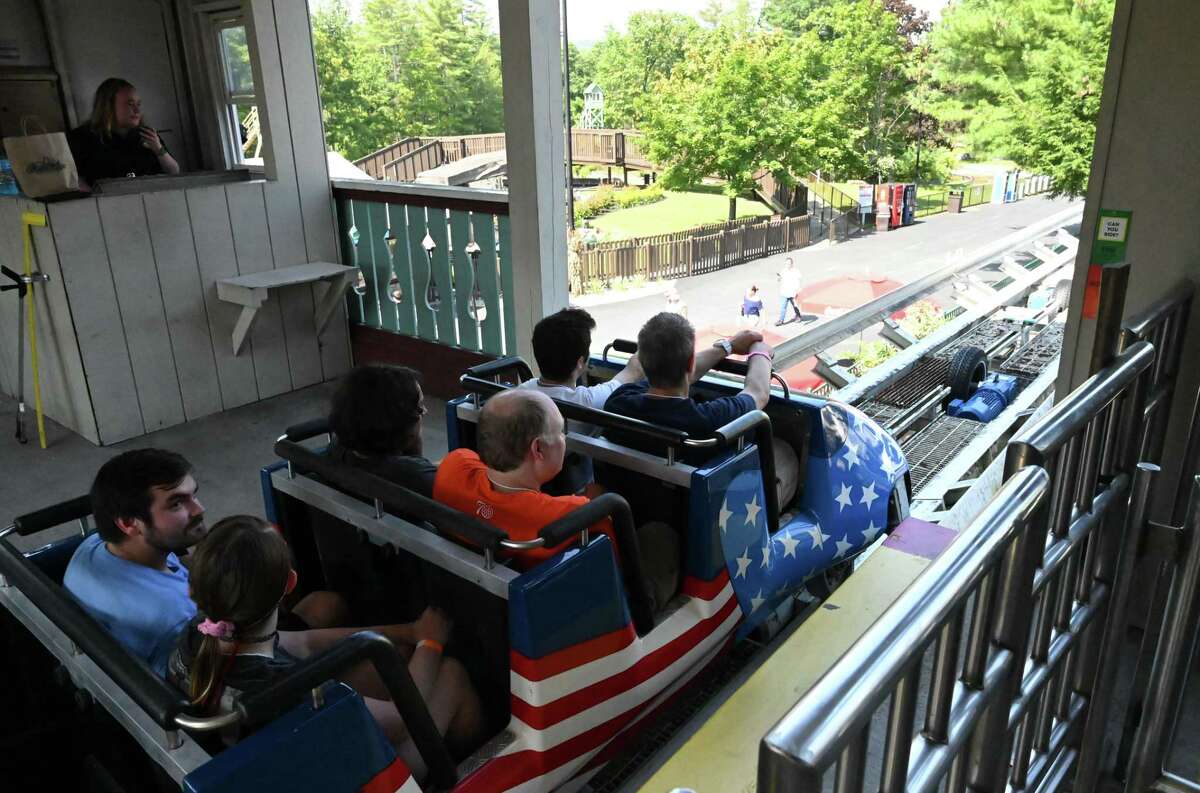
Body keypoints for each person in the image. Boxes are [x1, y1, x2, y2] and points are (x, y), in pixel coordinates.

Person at [169, 516, 483, 778]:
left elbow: (305, 642)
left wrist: (410, 631)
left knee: (397, 656)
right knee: (451, 674)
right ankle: (466, 769)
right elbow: (401, 720)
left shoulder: (200, 633)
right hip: (334, 776)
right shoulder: (285, 689)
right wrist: (430, 642)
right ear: (290, 584)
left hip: (272, 759)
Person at [63, 449, 345, 676]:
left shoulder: (95, 546)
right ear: (128, 523)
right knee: (329, 606)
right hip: (225, 666)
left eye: (193, 495)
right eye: (176, 504)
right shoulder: (174, 615)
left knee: (325, 604)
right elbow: (270, 647)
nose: (199, 510)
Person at [434, 390, 678, 607]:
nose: (564, 438)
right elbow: (619, 568)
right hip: (574, 607)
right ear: (538, 449)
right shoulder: (580, 516)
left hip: (491, 596)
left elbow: (493, 504)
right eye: (560, 431)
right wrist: (590, 502)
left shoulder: (454, 465)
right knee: (660, 534)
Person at [604, 313, 774, 454]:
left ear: (642, 361)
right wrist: (761, 351)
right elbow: (758, 393)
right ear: (691, 362)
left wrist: (727, 347)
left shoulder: (617, 402)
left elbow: (673, 371)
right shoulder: (710, 419)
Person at [328, 365, 437, 497]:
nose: (425, 412)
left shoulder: (338, 449)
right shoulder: (418, 477)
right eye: (419, 407)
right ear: (397, 423)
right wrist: (416, 444)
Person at [68, 78, 181, 190]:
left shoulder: (145, 134)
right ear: (108, 107)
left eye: (138, 104)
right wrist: (97, 198)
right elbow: (72, 178)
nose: (137, 111)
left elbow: (174, 172)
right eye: (130, 104)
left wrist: (158, 149)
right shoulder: (83, 137)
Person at [775, 257, 803, 326]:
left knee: (795, 306)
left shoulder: (795, 271)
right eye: (786, 263)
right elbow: (780, 278)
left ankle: (798, 316)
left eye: (789, 263)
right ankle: (781, 320)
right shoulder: (783, 271)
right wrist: (779, 278)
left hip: (792, 292)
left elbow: (798, 281)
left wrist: (797, 290)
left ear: (792, 264)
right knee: (783, 307)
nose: (788, 265)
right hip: (784, 292)